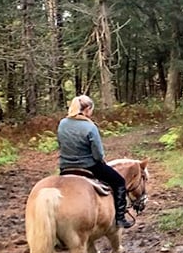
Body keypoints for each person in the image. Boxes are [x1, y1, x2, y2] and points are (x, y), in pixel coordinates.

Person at [57, 94, 134, 228]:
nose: (92, 113)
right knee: (119, 181)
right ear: (87, 110)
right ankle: (120, 217)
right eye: (91, 110)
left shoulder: (62, 123)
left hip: (65, 167)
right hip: (89, 166)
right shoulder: (90, 127)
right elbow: (98, 155)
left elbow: (61, 144)